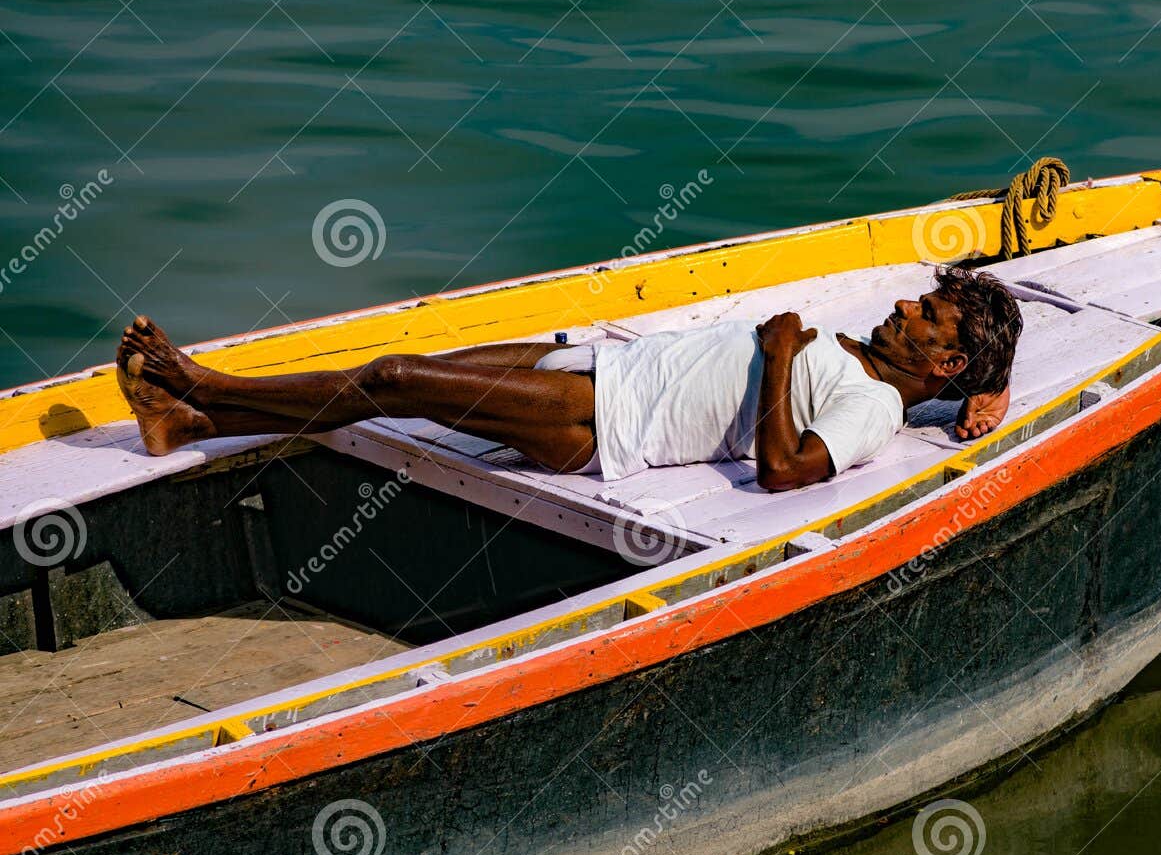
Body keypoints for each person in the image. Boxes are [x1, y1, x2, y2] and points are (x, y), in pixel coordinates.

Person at [115, 266, 1022, 493]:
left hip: (603, 426)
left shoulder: (868, 406)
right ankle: (190, 426)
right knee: (391, 383)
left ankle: (204, 386)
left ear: (940, 362)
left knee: (394, 376)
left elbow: (784, 470)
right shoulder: (875, 361)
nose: (906, 304)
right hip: (598, 367)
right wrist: (998, 384)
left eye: (927, 317)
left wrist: (781, 355)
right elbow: (982, 362)